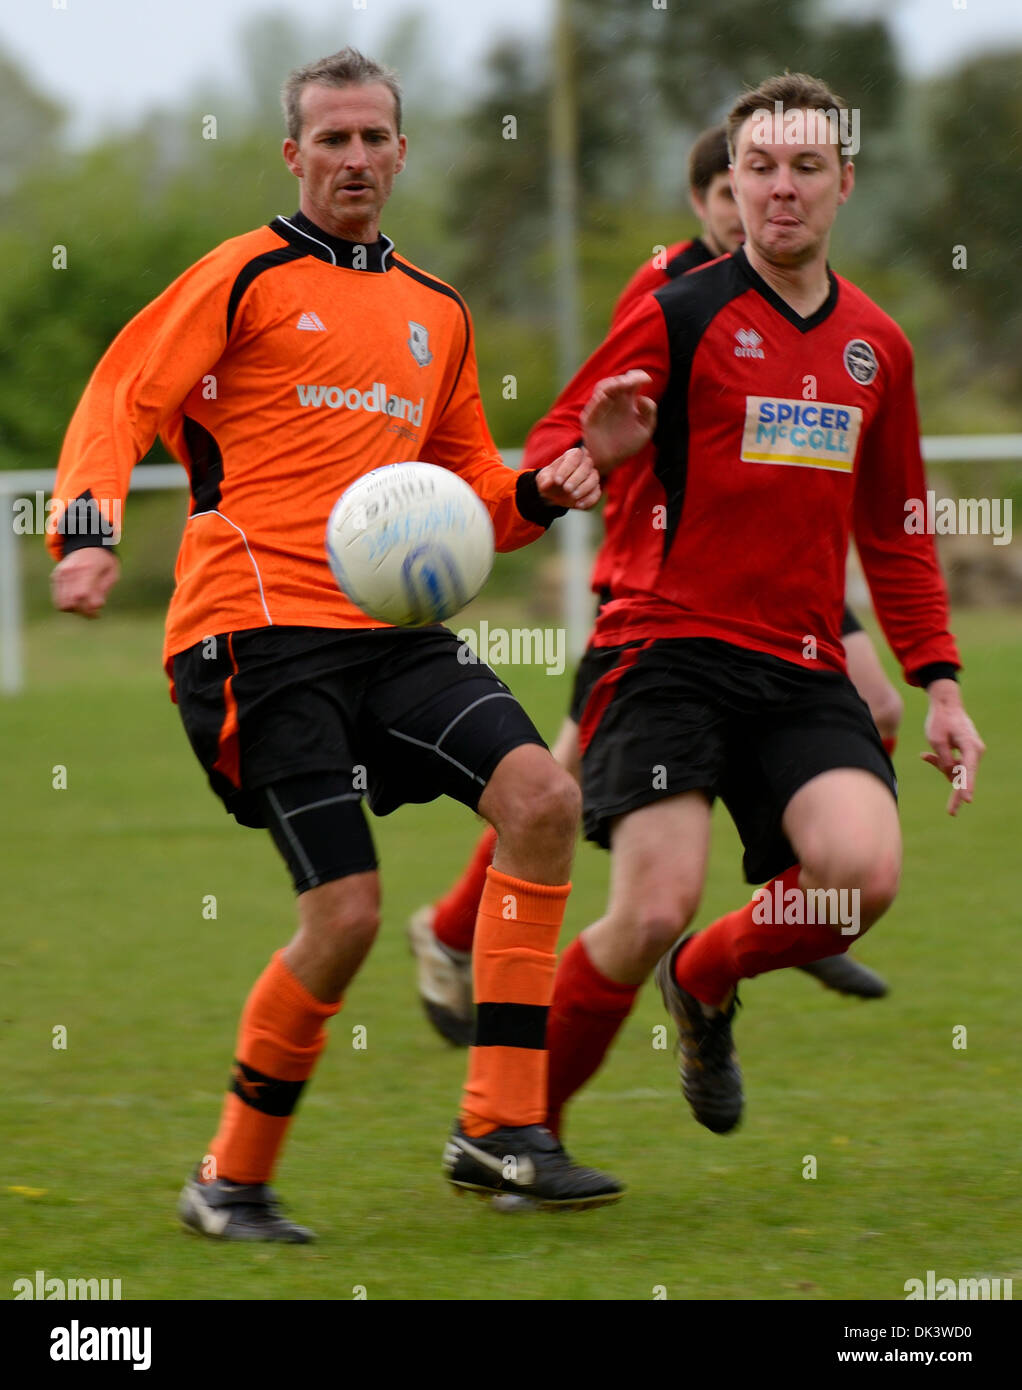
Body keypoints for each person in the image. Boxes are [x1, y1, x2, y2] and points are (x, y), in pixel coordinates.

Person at [47, 47, 623, 1237]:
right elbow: (122, 395)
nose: (354, 157)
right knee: (346, 914)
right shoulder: (243, 275)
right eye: (333, 139)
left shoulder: (436, 312)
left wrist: (555, 486)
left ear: (403, 152)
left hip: (393, 636)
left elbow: (475, 501)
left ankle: (501, 1127)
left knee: (542, 799)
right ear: (293, 153)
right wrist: (87, 528)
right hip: (255, 638)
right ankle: (230, 1178)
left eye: (374, 138)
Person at [502, 72, 985, 1145]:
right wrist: (582, 459)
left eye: (804, 168)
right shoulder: (677, 314)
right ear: (731, 181)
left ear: (842, 183)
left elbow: (897, 528)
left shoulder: (877, 349)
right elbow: (547, 444)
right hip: (664, 650)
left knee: (857, 880)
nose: (778, 190)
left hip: (800, 663)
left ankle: (704, 978)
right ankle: (511, 1132)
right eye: (756, 168)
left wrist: (937, 683)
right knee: (649, 904)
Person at [410, 123, 898, 1049]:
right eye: (733, 187)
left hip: (768, 586)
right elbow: (590, 424)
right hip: (655, 591)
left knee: (871, 705)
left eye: (783, 177)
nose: (751, 202)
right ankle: (447, 935)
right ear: (707, 201)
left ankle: (802, 906)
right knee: (556, 784)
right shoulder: (673, 293)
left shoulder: (816, 306)